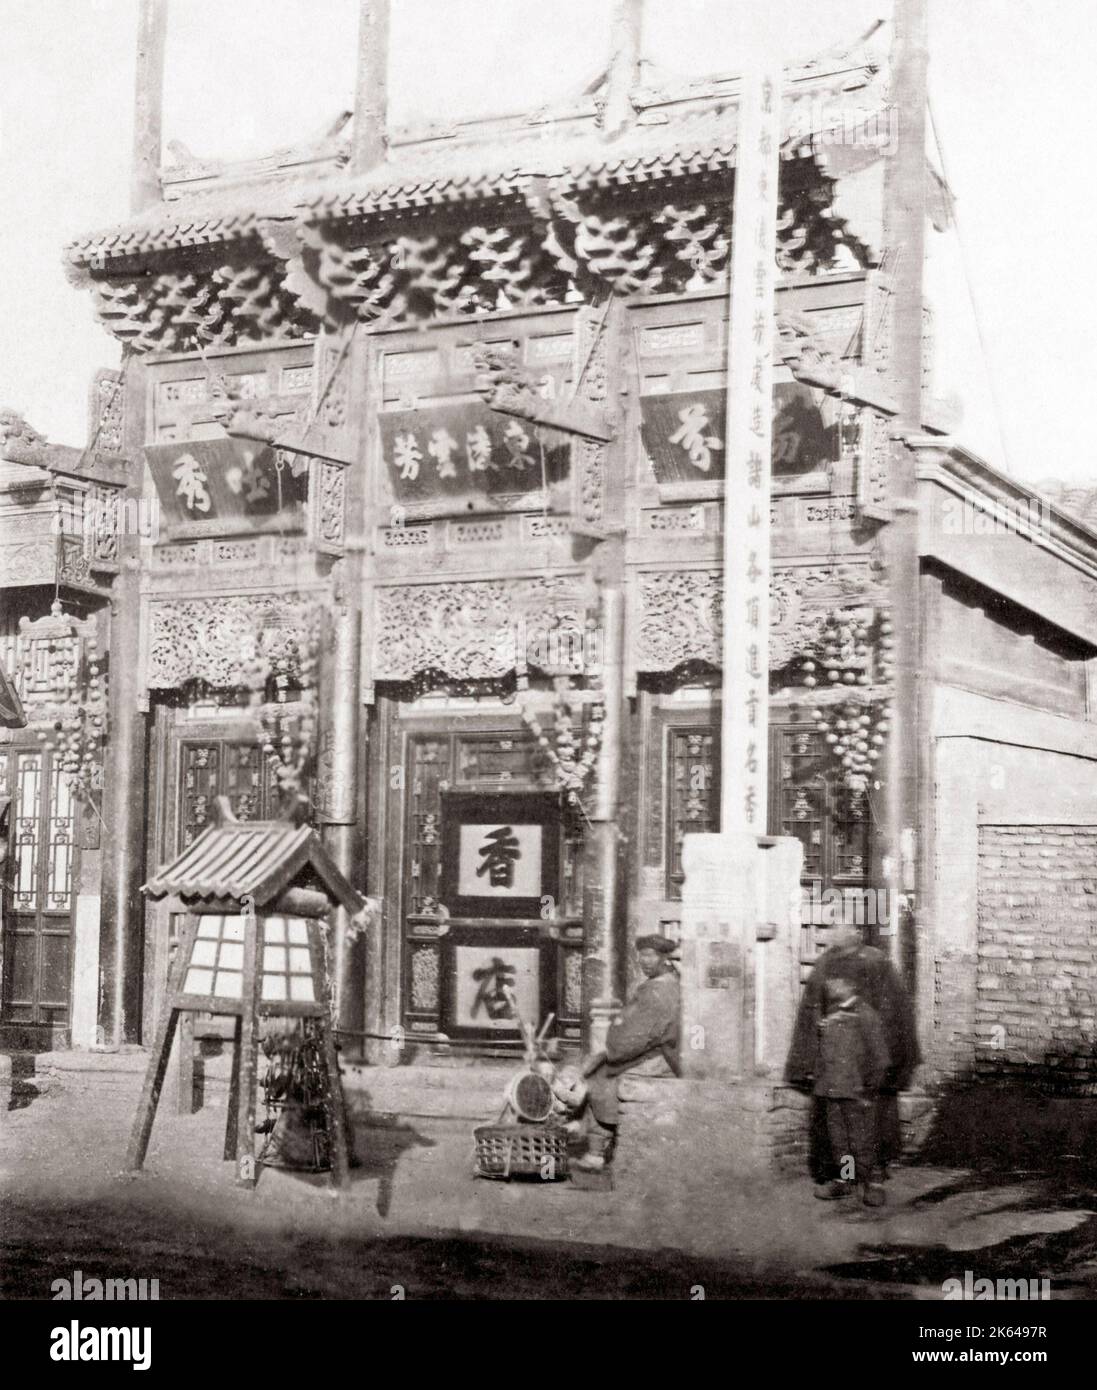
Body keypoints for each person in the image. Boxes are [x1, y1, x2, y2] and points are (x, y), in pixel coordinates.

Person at [785, 911, 920, 1181]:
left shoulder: (876, 962)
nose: (833, 933)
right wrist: (809, 1058)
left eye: (840, 927)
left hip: (868, 1061)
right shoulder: (825, 963)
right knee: (838, 1128)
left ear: (857, 932)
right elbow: (813, 1009)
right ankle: (845, 1176)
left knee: (873, 1122)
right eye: (832, 927)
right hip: (838, 1064)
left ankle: (874, 1175)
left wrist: (888, 1058)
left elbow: (894, 1011)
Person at [571, 934, 681, 1171]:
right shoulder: (669, 983)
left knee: (601, 1075)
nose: (644, 961)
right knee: (600, 1067)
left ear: (664, 958)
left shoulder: (658, 989)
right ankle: (593, 1138)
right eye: (641, 956)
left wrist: (611, 1051)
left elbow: (637, 1036)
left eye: (650, 955)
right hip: (658, 1051)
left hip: (660, 1056)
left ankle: (596, 1151)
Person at [812, 975, 890, 1206]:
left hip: (857, 1091)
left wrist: (868, 1090)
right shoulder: (832, 1014)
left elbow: (880, 1058)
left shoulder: (866, 1014)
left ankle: (872, 1184)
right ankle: (847, 1180)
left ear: (849, 985)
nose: (829, 985)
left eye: (835, 981)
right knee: (840, 1141)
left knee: (862, 1140)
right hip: (833, 1089)